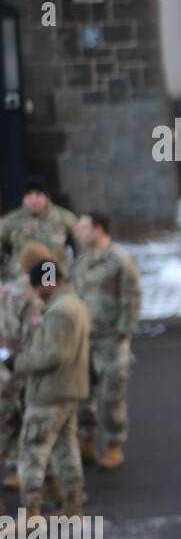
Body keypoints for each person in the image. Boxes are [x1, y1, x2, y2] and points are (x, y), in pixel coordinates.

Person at [8, 259, 90, 519]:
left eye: (36, 286)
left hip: (49, 394)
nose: (34, 292)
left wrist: (16, 362)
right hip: (67, 391)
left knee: (32, 452)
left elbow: (53, 356)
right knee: (66, 450)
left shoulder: (60, 312)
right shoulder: (72, 304)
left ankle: (30, 514)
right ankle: (71, 507)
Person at [71, 212, 141, 470]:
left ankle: (113, 444)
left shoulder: (120, 260)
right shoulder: (82, 259)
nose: (78, 231)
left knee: (111, 397)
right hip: (83, 338)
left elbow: (131, 298)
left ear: (98, 229)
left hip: (110, 339)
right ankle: (85, 441)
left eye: (83, 226)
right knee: (82, 396)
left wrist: (122, 333)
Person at [0, 243, 55, 492]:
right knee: (27, 421)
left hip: (4, 361)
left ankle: (12, 468)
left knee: (6, 420)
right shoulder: (35, 297)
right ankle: (24, 473)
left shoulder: (6, 290)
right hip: (24, 364)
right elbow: (36, 334)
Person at [0, 178, 78, 281]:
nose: (33, 200)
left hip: (54, 280)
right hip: (21, 281)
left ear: (46, 196)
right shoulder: (10, 222)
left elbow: (82, 246)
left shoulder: (64, 218)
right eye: (29, 195)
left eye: (38, 194)